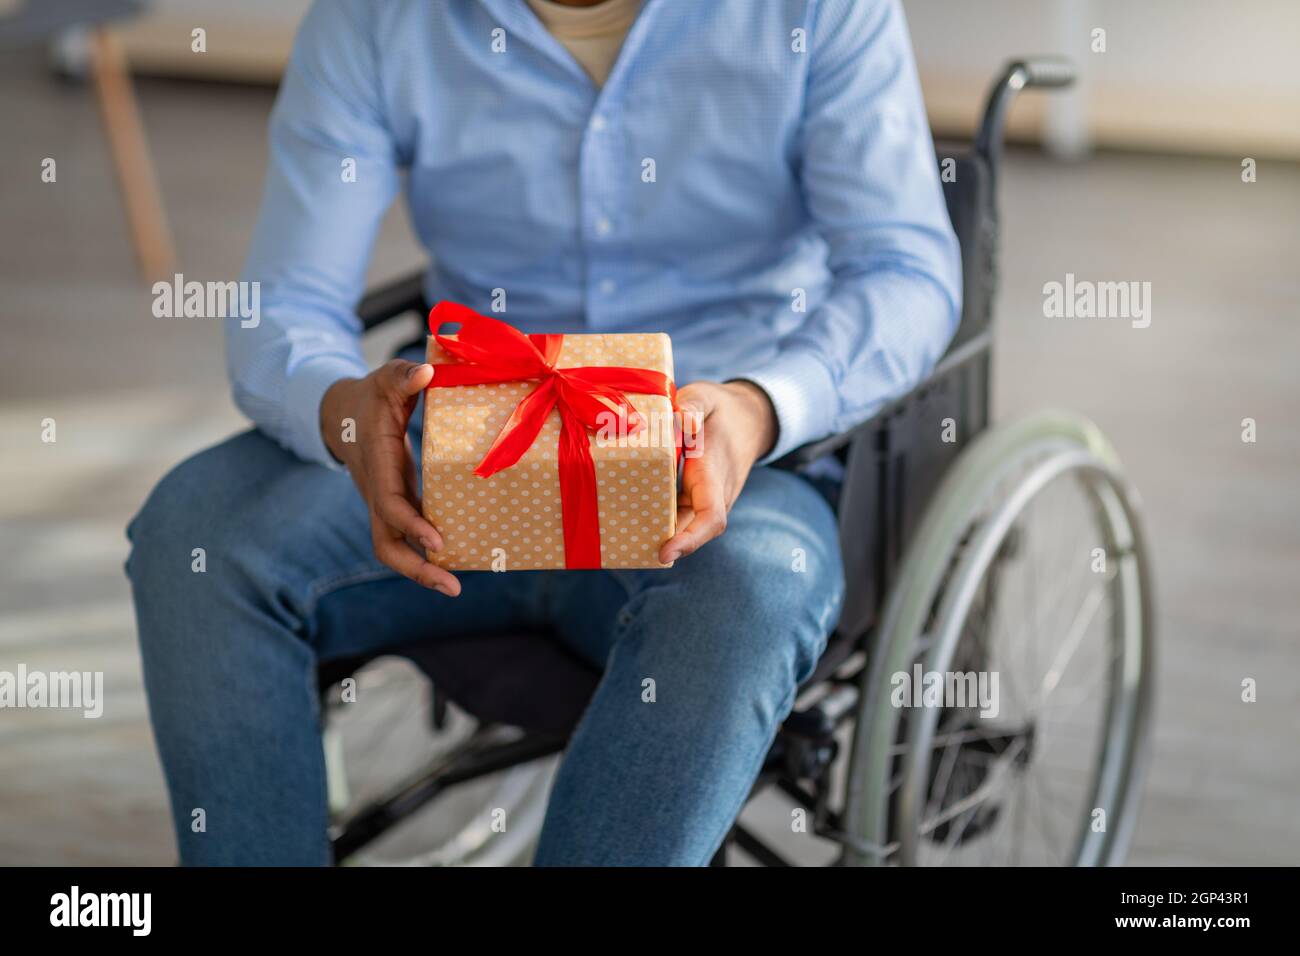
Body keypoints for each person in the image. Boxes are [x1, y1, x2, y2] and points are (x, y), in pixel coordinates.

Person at [126, 0, 960, 865]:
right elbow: (287, 306)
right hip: (465, 450)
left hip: (712, 455)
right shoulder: (375, 19)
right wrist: (345, 414)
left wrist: (758, 406)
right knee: (196, 537)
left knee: (752, 590)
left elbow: (904, 272)